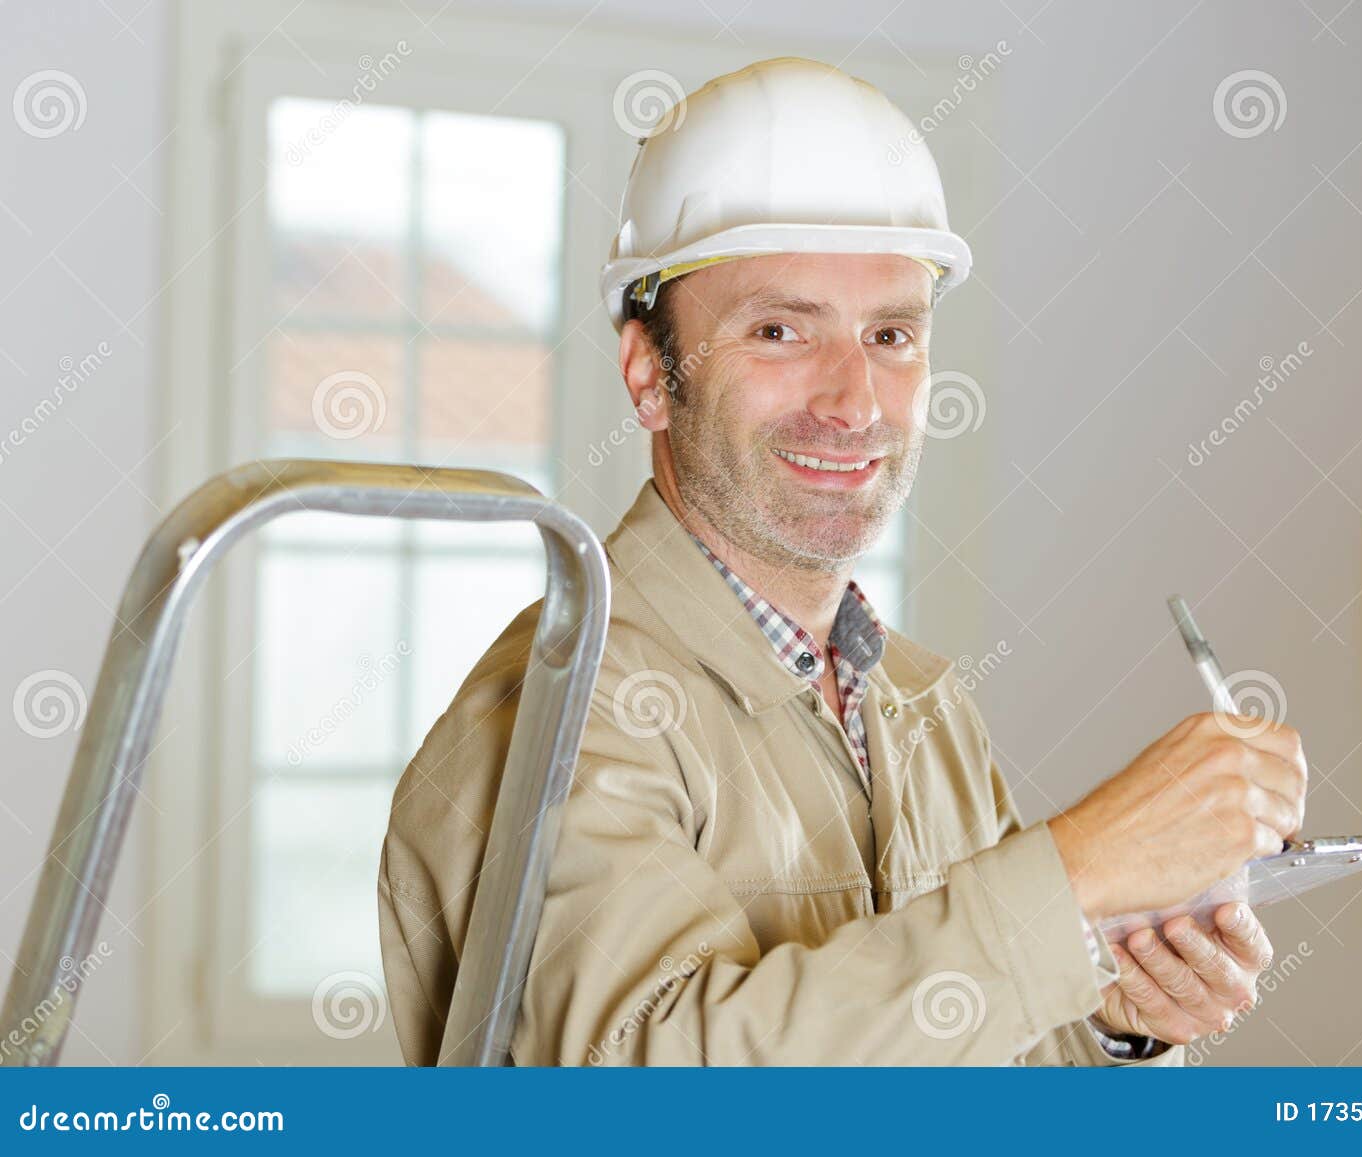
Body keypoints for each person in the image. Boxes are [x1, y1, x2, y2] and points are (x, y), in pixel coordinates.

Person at [377, 56, 1305, 1066]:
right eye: (780, 330)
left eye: (891, 334)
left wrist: (1118, 1022)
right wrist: (1074, 873)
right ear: (650, 373)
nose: (854, 401)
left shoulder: (916, 703)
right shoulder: (564, 705)